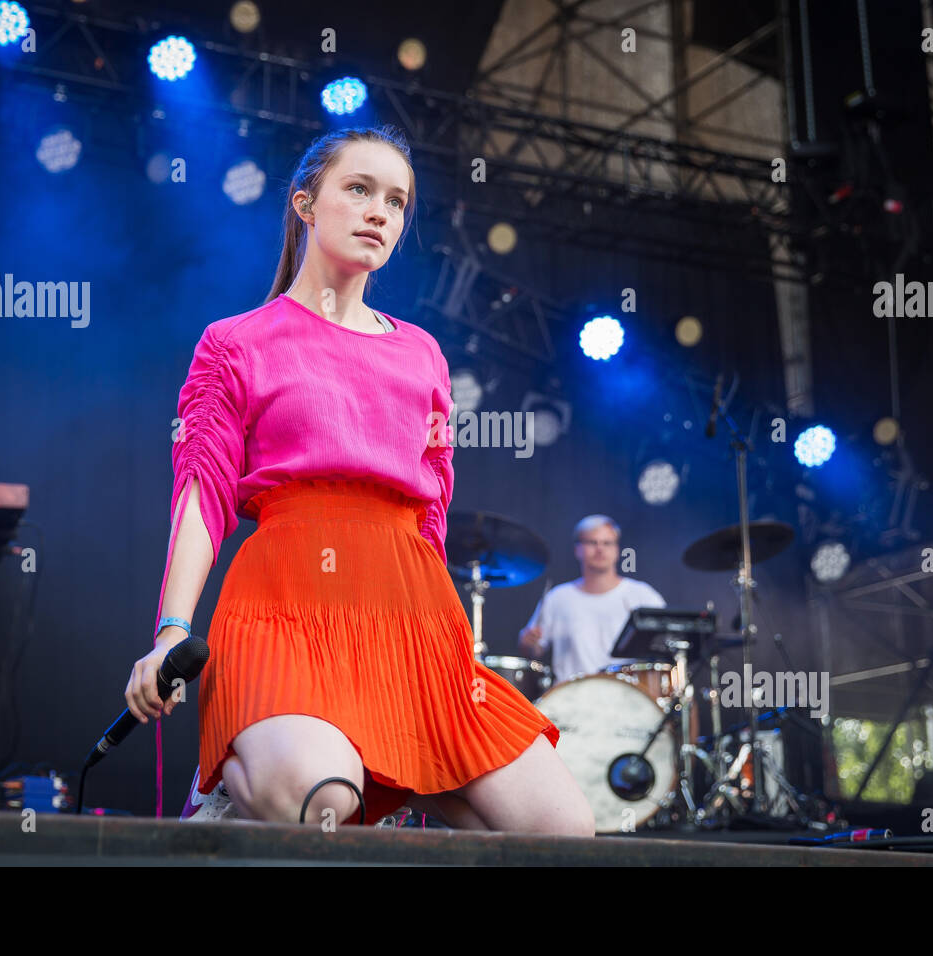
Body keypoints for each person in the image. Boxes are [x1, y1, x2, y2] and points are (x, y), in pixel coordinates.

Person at [125, 125, 594, 835]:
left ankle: (350, 780)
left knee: (563, 834)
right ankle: (241, 790)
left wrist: (439, 646)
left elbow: (433, 511)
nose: (381, 211)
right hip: (285, 611)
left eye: (398, 201)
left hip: (412, 621)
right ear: (306, 204)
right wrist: (171, 631)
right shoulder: (236, 342)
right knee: (318, 800)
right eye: (360, 189)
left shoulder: (423, 354)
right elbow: (202, 494)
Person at [518, 515, 666, 681]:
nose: (600, 549)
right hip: (570, 697)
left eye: (607, 543)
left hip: (627, 695)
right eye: (592, 542)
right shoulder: (558, 598)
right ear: (577, 549)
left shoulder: (643, 596)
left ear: (617, 550)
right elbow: (534, 650)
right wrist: (529, 643)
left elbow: (666, 648)